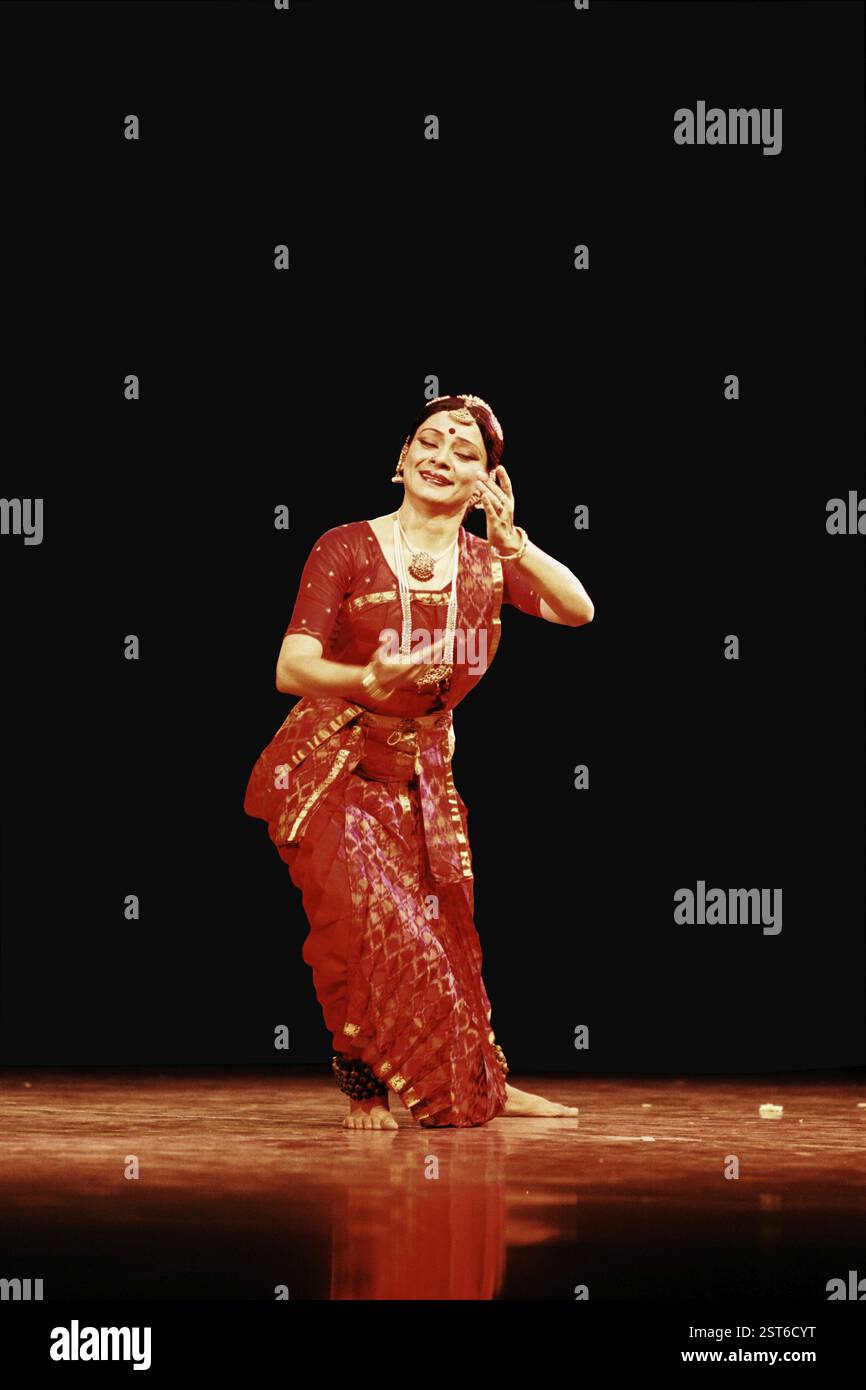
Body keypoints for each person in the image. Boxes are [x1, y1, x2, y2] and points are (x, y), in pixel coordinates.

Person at [244, 394, 594, 1129]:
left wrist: (513, 541)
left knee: (442, 934)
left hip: (421, 775)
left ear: (487, 483)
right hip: (330, 763)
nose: (442, 457)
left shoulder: (487, 565)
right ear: (401, 459)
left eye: (465, 453)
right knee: (359, 922)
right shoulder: (344, 545)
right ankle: (364, 1077)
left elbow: (577, 609)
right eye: (429, 442)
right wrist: (363, 682)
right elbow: (291, 664)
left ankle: (483, 1080)